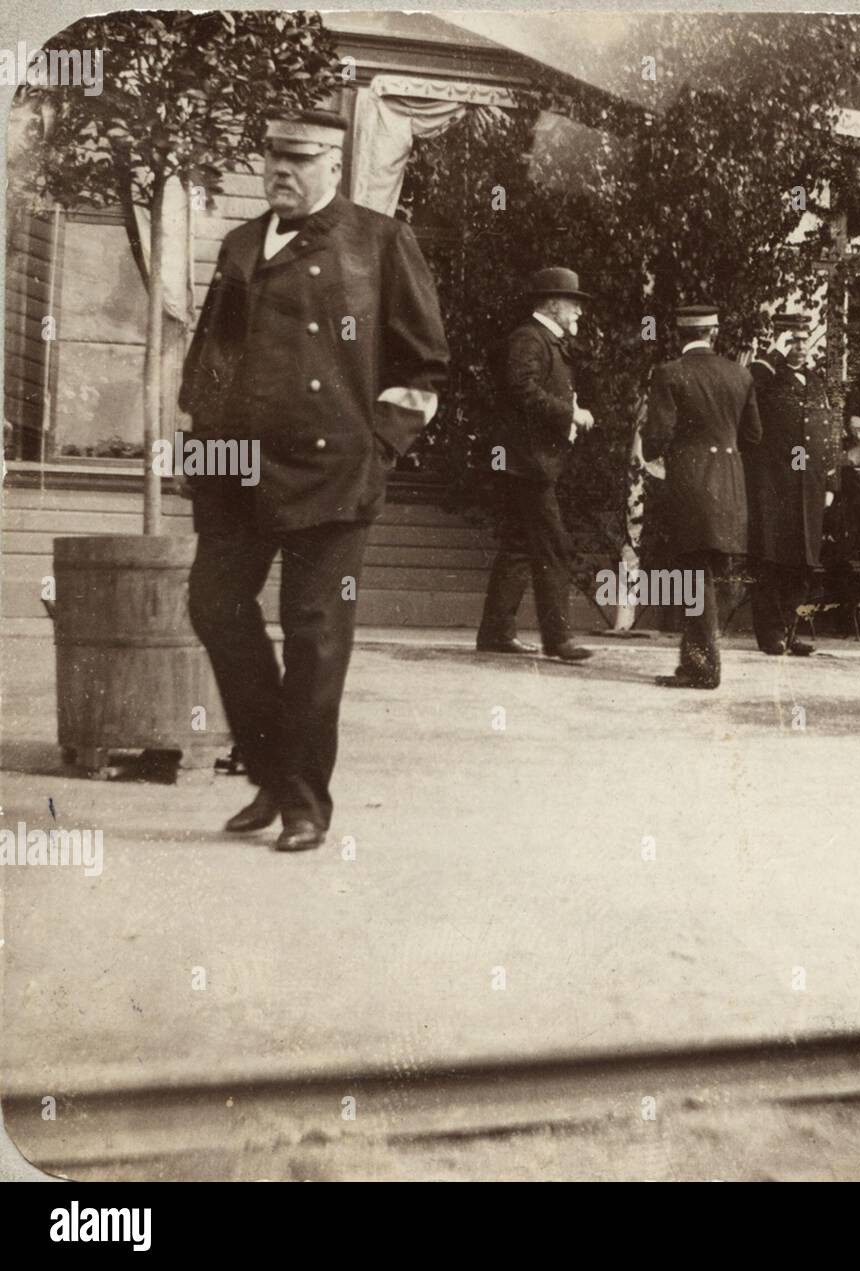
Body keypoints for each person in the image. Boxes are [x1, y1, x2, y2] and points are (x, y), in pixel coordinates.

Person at [180, 109, 449, 851]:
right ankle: (271, 765)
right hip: (236, 474)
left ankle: (301, 801)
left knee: (315, 635)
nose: (281, 173)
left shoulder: (379, 241)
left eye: (299, 160)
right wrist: (200, 457)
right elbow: (212, 363)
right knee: (213, 604)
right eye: (273, 159)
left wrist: (380, 449)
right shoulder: (241, 243)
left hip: (332, 475)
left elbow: (424, 366)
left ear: (335, 164)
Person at [476, 268, 597, 663]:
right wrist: (570, 416)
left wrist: (569, 409)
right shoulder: (529, 338)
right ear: (552, 303)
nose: (579, 311)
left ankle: (496, 632)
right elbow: (522, 390)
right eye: (574, 303)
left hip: (527, 462)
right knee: (553, 547)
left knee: (516, 546)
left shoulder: (543, 340)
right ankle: (558, 639)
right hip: (528, 464)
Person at [642, 304, 762, 688]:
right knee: (706, 575)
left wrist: (654, 449)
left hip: (690, 484)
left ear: (679, 335)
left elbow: (656, 438)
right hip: (729, 483)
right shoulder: (740, 374)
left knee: (695, 575)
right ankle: (697, 661)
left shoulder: (669, 373)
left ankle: (702, 667)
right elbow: (754, 436)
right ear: (714, 333)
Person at [745, 313, 840, 655]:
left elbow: (829, 433)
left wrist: (831, 480)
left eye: (803, 339)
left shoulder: (816, 382)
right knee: (771, 558)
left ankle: (790, 629)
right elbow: (745, 389)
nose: (799, 346)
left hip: (810, 486)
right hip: (774, 484)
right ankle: (770, 633)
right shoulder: (766, 377)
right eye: (792, 340)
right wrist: (771, 356)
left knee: (803, 560)